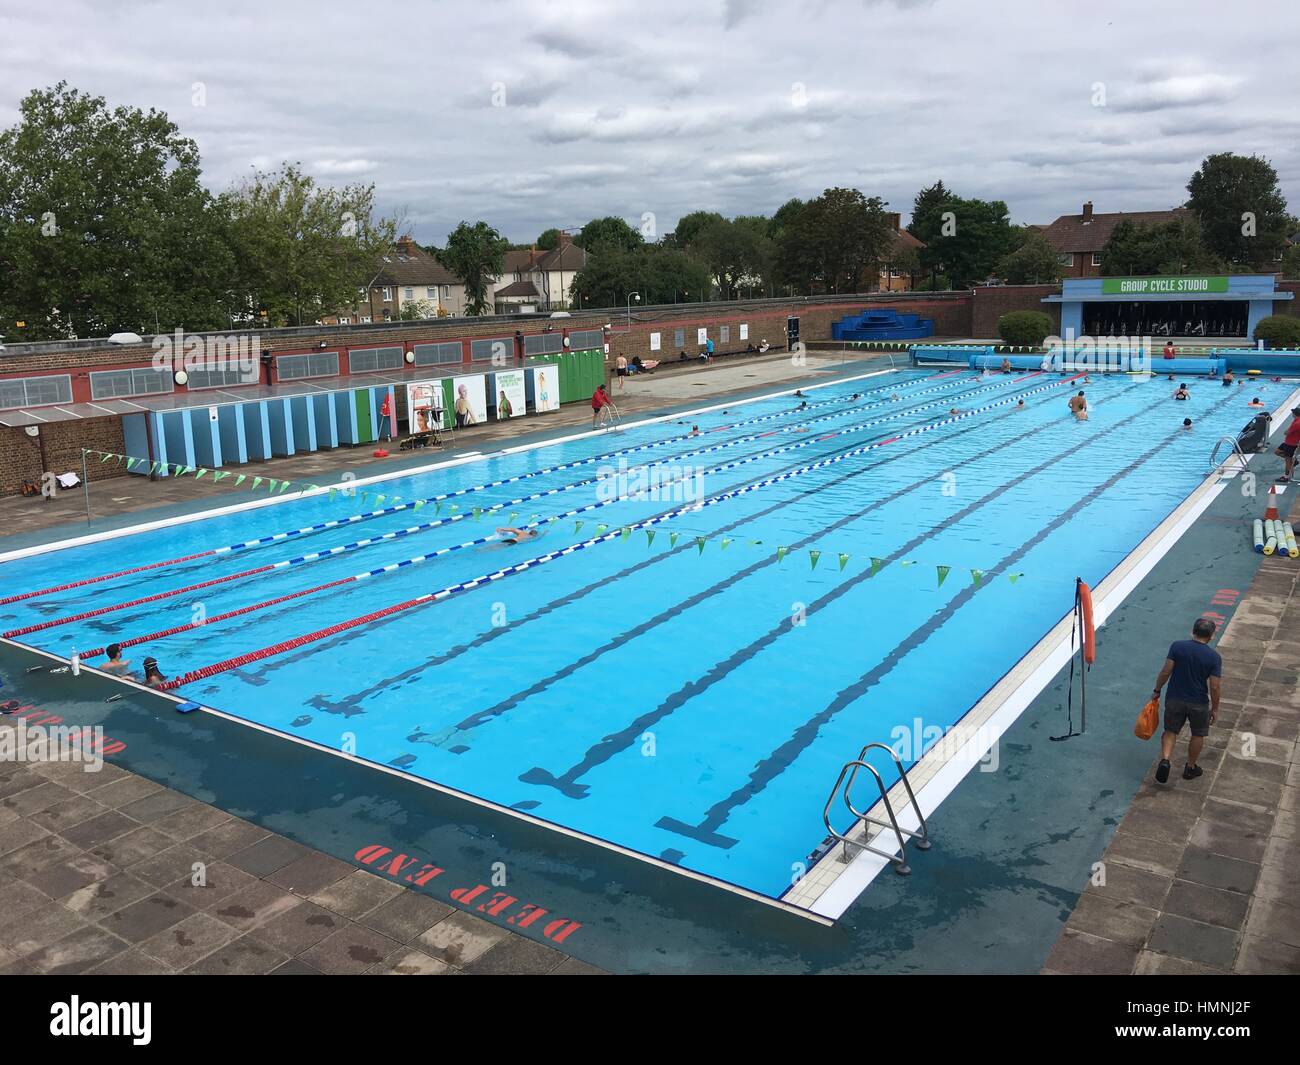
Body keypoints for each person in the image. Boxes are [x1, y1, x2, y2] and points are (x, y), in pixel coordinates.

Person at [1151, 618, 1222, 783]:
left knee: (1170, 730)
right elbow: (1215, 686)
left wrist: (1157, 690)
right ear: (1211, 636)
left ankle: (1166, 759)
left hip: (1175, 698)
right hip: (1198, 702)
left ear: (1193, 631)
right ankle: (1190, 767)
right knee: (1198, 734)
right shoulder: (1214, 657)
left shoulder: (1177, 647)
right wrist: (1215, 708)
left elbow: (1166, 671)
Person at [1275, 405, 1300, 483]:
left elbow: (1287, 432)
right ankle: (1293, 462)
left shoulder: (1297, 423)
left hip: (1291, 444)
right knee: (1277, 451)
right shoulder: (1296, 420)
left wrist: (1286, 432)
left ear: (1295, 414)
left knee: (1287, 460)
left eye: (1292, 412)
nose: (1291, 414)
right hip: (1287, 442)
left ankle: (1286, 477)